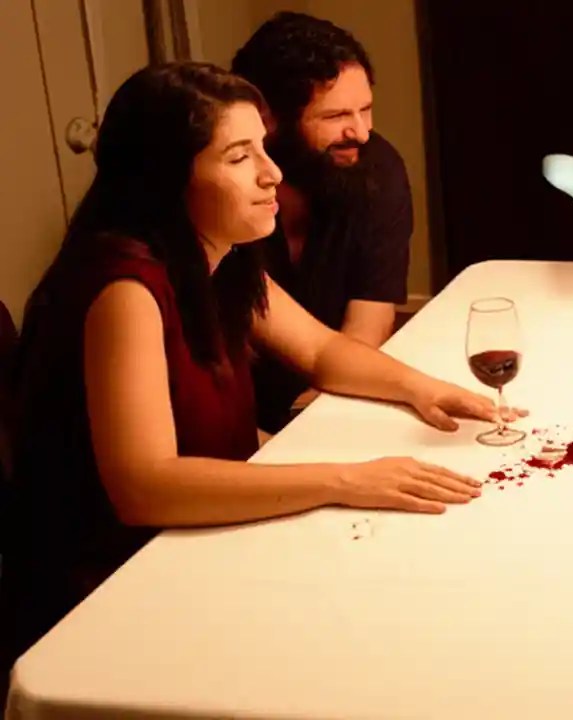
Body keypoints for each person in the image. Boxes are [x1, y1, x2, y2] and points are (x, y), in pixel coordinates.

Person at [0, 63, 514, 666]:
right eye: (239, 157)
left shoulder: (219, 254)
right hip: (115, 591)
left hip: (199, 539)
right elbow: (145, 488)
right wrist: (346, 480)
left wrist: (424, 389)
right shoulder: (126, 289)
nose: (272, 173)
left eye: (264, 148)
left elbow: (320, 350)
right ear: (166, 176)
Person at [230, 12, 414, 433]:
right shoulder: (222, 195)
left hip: (324, 398)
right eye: (335, 117)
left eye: (366, 109)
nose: (361, 133)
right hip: (232, 421)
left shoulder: (374, 168)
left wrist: (318, 426)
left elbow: (365, 327)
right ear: (267, 118)